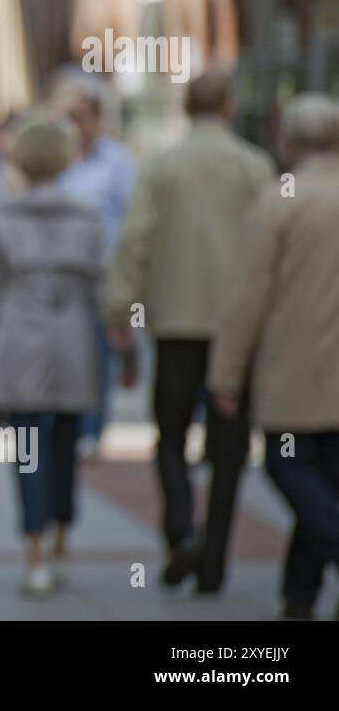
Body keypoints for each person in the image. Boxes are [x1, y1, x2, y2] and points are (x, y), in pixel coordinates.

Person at [104, 73, 273, 594]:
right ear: (228, 105)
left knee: (171, 433)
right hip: (235, 327)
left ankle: (180, 530)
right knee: (230, 444)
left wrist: (120, 310)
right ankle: (215, 552)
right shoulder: (255, 167)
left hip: (176, 320)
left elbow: (135, 240)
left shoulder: (162, 166)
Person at [208, 93, 339, 620]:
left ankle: (303, 592)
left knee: (288, 466)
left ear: (287, 143)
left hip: (294, 369)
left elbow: (248, 295)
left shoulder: (281, 198)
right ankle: (299, 596)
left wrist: (226, 373)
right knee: (326, 480)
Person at [0, 116, 104, 597]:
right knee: (66, 444)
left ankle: (35, 554)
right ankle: (62, 535)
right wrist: (118, 350)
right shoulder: (86, 218)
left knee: (26, 447)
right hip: (71, 337)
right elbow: (100, 291)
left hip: (18, 335)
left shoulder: (5, 218)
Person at [55, 74, 136, 457]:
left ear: (98, 118)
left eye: (81, 114)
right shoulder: (55, 159)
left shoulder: (118, 163)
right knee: (66, 351)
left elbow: (130, 219)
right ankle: (67, 424)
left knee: (99, 353)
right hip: (59, 274)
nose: (75, 122)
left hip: (102, 273)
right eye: (69, 114)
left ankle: (91, 430)